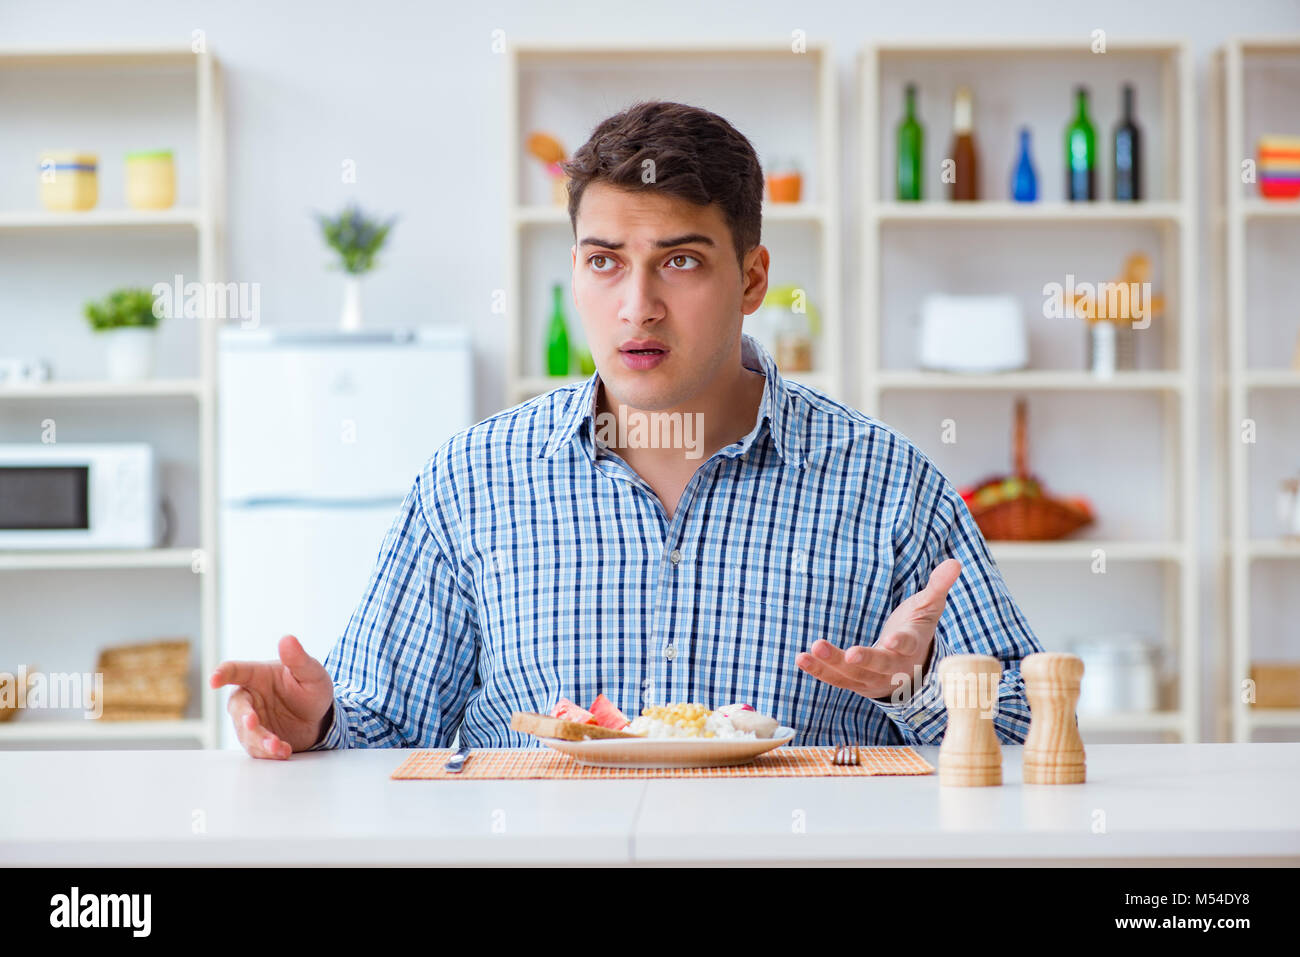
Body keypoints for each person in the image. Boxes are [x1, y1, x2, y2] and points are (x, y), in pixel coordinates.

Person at [212, 100, 1044, 758]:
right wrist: (316, 724)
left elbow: (1028, 737)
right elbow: (382, 729)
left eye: (680, 261)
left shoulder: (888, 485)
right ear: (574, 266)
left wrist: (923, 686)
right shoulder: (470, 480)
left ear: (753, 278)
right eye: (604, 260)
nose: (636, 303)